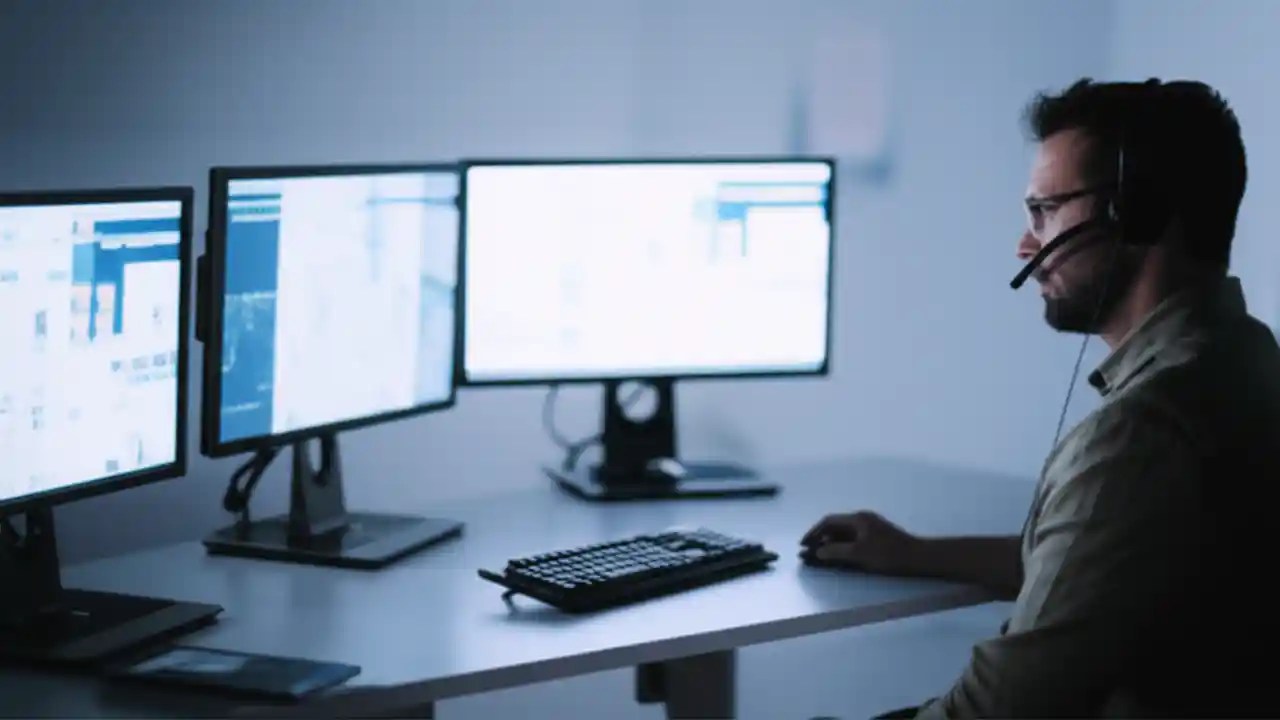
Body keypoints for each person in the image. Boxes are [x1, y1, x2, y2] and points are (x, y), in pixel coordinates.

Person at [801, 77, 1280, 718]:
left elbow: (996, 711)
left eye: (1044, 212)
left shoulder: (1140, 435)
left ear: (1135, 211)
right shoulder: (1244, 358)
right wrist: (913, 552)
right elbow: (1091, 570)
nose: (1026, 245)